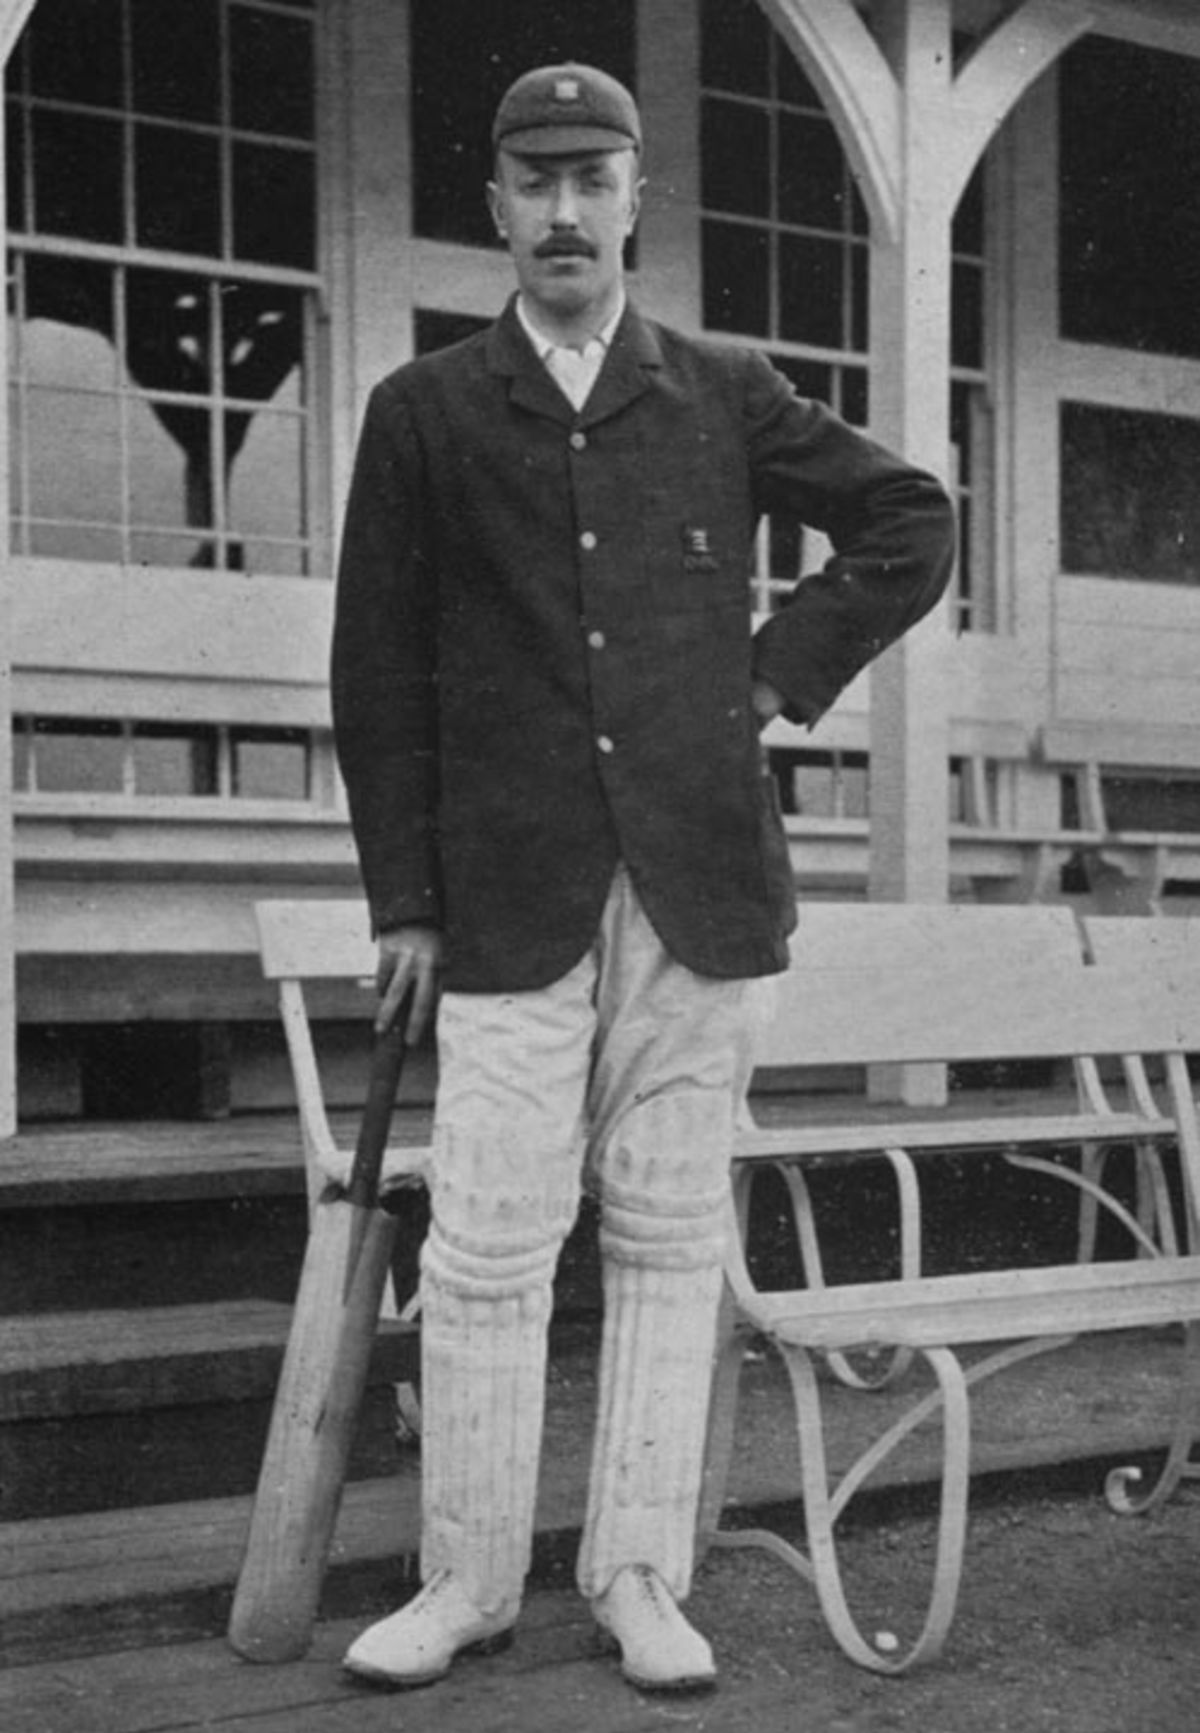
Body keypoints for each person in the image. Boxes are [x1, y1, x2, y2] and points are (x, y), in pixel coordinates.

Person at [331, 62, 955, 1696]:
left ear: (632, 204)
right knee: (484, 1240)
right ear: (493, 208)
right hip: (506, 899)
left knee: (674, 1237)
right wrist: (403, 897)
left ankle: (638, 1572)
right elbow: (378, 676)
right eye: (532, 182)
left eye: (591, 180)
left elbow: (911, 516)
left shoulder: (723, 389)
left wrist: (773, 673)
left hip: (699, 889)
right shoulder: (426, 413)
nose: (561, 212)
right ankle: (464, 1578)